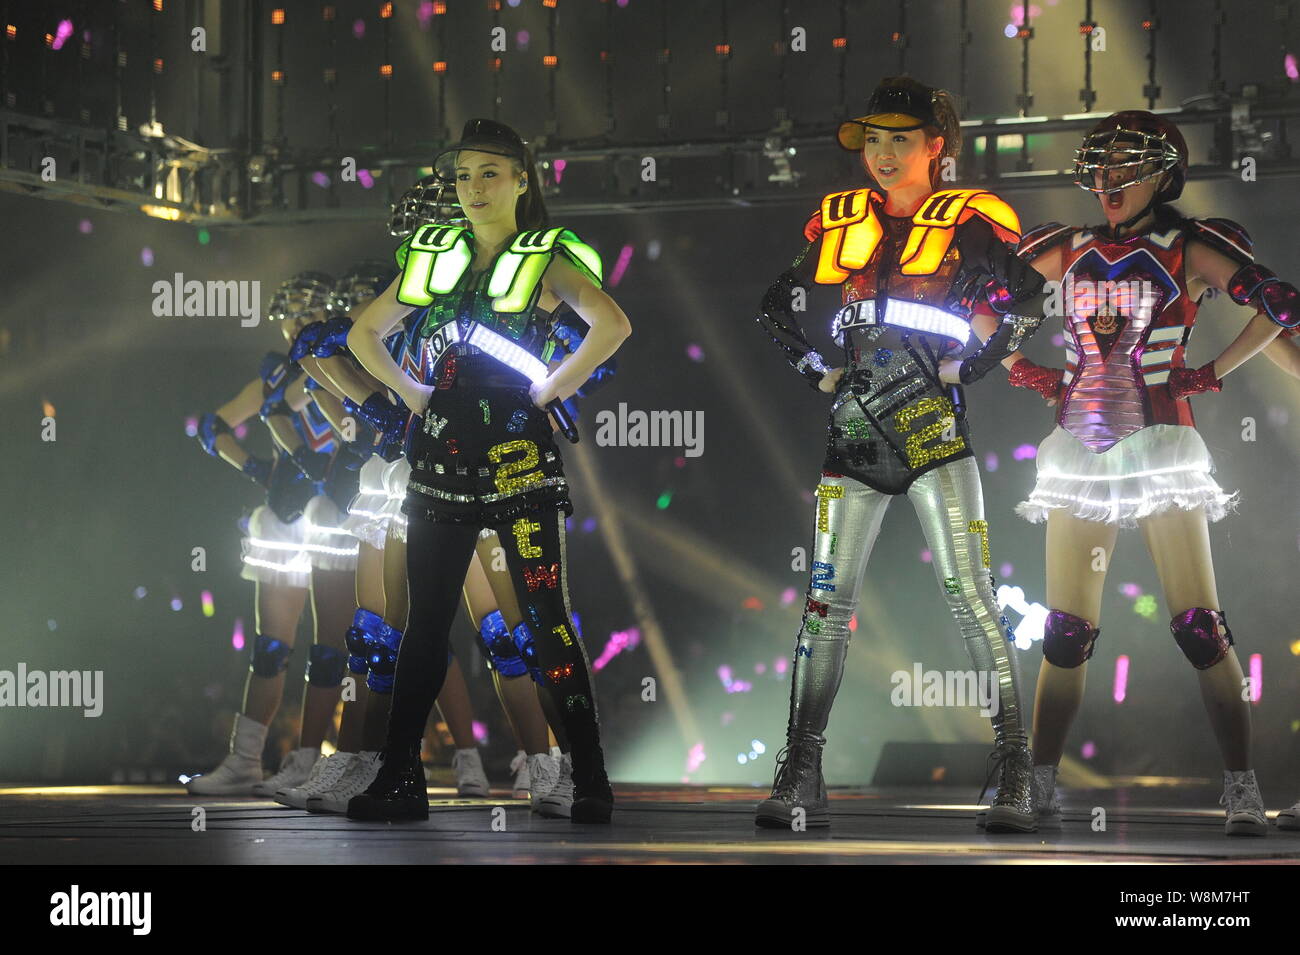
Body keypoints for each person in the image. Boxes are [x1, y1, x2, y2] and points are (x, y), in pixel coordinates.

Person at [753, 76, 1050, 832]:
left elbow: (1028, 301)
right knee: (823, 610)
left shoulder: (971, 221)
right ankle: (801, 766)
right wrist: (816, 371)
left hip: (934, 435)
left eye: (900, 139)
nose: (883, 155)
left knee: (973, 598)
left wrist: (972, 369)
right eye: (873, 140)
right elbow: (773, 306)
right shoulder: (837, 221)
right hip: (849, 439)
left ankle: (1015, 769)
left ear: (935, 145)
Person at [1004, 110, 1293, 835]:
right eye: (1100, 165)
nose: (1108, 179)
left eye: (1126, 164)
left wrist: (1211, 374)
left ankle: (1242, 789)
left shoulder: (1190, 245)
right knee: (1065, 631)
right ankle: (1037, 787)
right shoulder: (1063, 247)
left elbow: (1275, 302)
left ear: (1165, 172)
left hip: (1162, 443)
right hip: (1078, 449)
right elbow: (982, 302)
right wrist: (1026, 371)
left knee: (1199, 626)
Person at [345, 119, 631, 824]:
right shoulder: (433, 257)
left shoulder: (545, 255)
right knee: (425, 623)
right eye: (464, 175)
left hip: (519, 463)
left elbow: (613, 325)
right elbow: (361, 333)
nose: (473, 188)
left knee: (544, 619)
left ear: (522, 179)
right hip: (438, 462)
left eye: (489, 173)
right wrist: (412, 395)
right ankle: (401, 778)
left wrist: (547, 390)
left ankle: (590, 777)